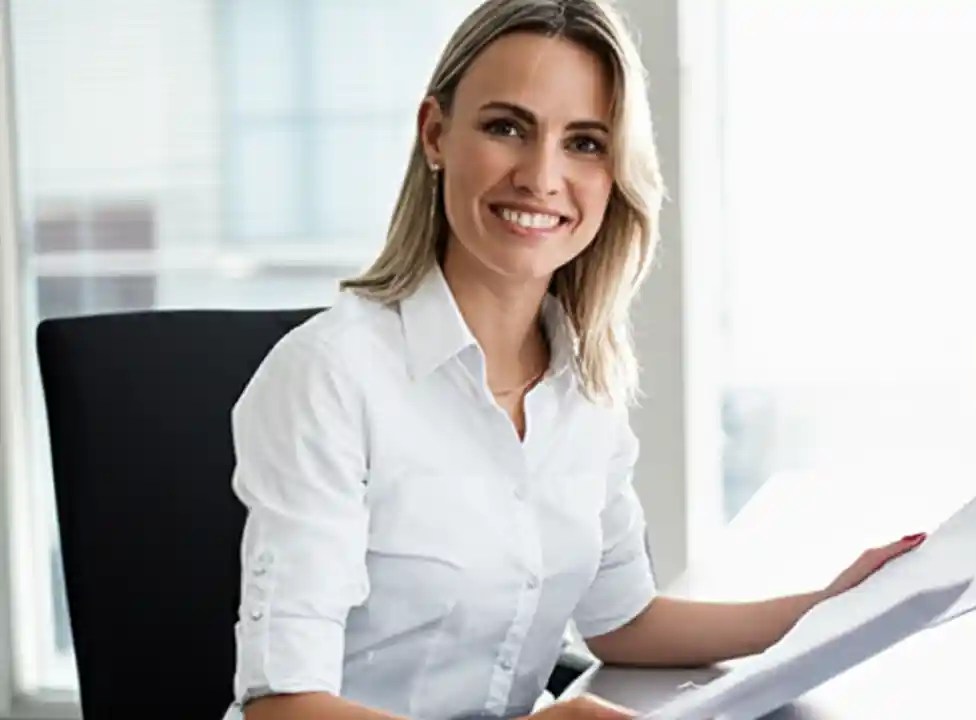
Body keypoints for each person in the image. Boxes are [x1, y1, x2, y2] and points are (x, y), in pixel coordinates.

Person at [226, 1, 926, 718]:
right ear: (435, 134)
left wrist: (829, 609)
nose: (541, 175)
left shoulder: (581, 383)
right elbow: (282, 707)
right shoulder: (329, 376)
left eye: (585, 143)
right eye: (507, 128)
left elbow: (623, 623)